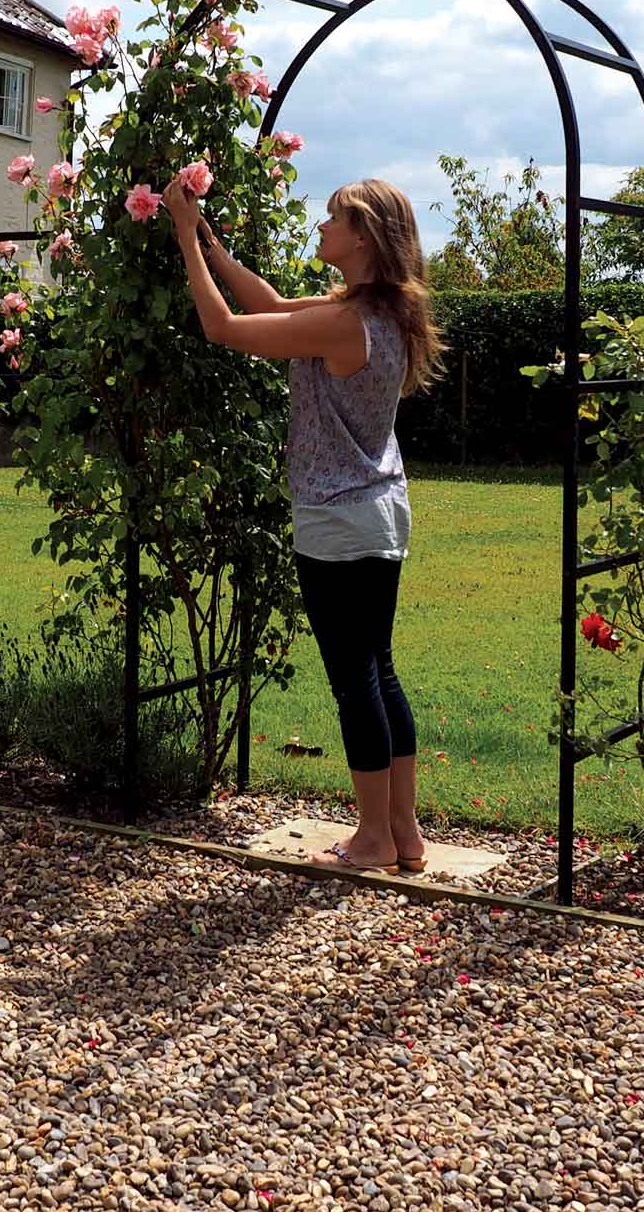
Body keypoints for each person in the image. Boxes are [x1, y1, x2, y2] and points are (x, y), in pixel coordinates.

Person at [162, 174, 445, 873]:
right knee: (378, 670)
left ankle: (373, 839)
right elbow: (275, 306)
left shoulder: (346, 323)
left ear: (364, 238)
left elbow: (223, 326)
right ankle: (403, 834)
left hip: (337, 517)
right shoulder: (374, 314)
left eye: (332, 220)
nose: (321, 229)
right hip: (379, 512)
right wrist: (208, 242)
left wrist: (180, 242)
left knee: (354, 680)